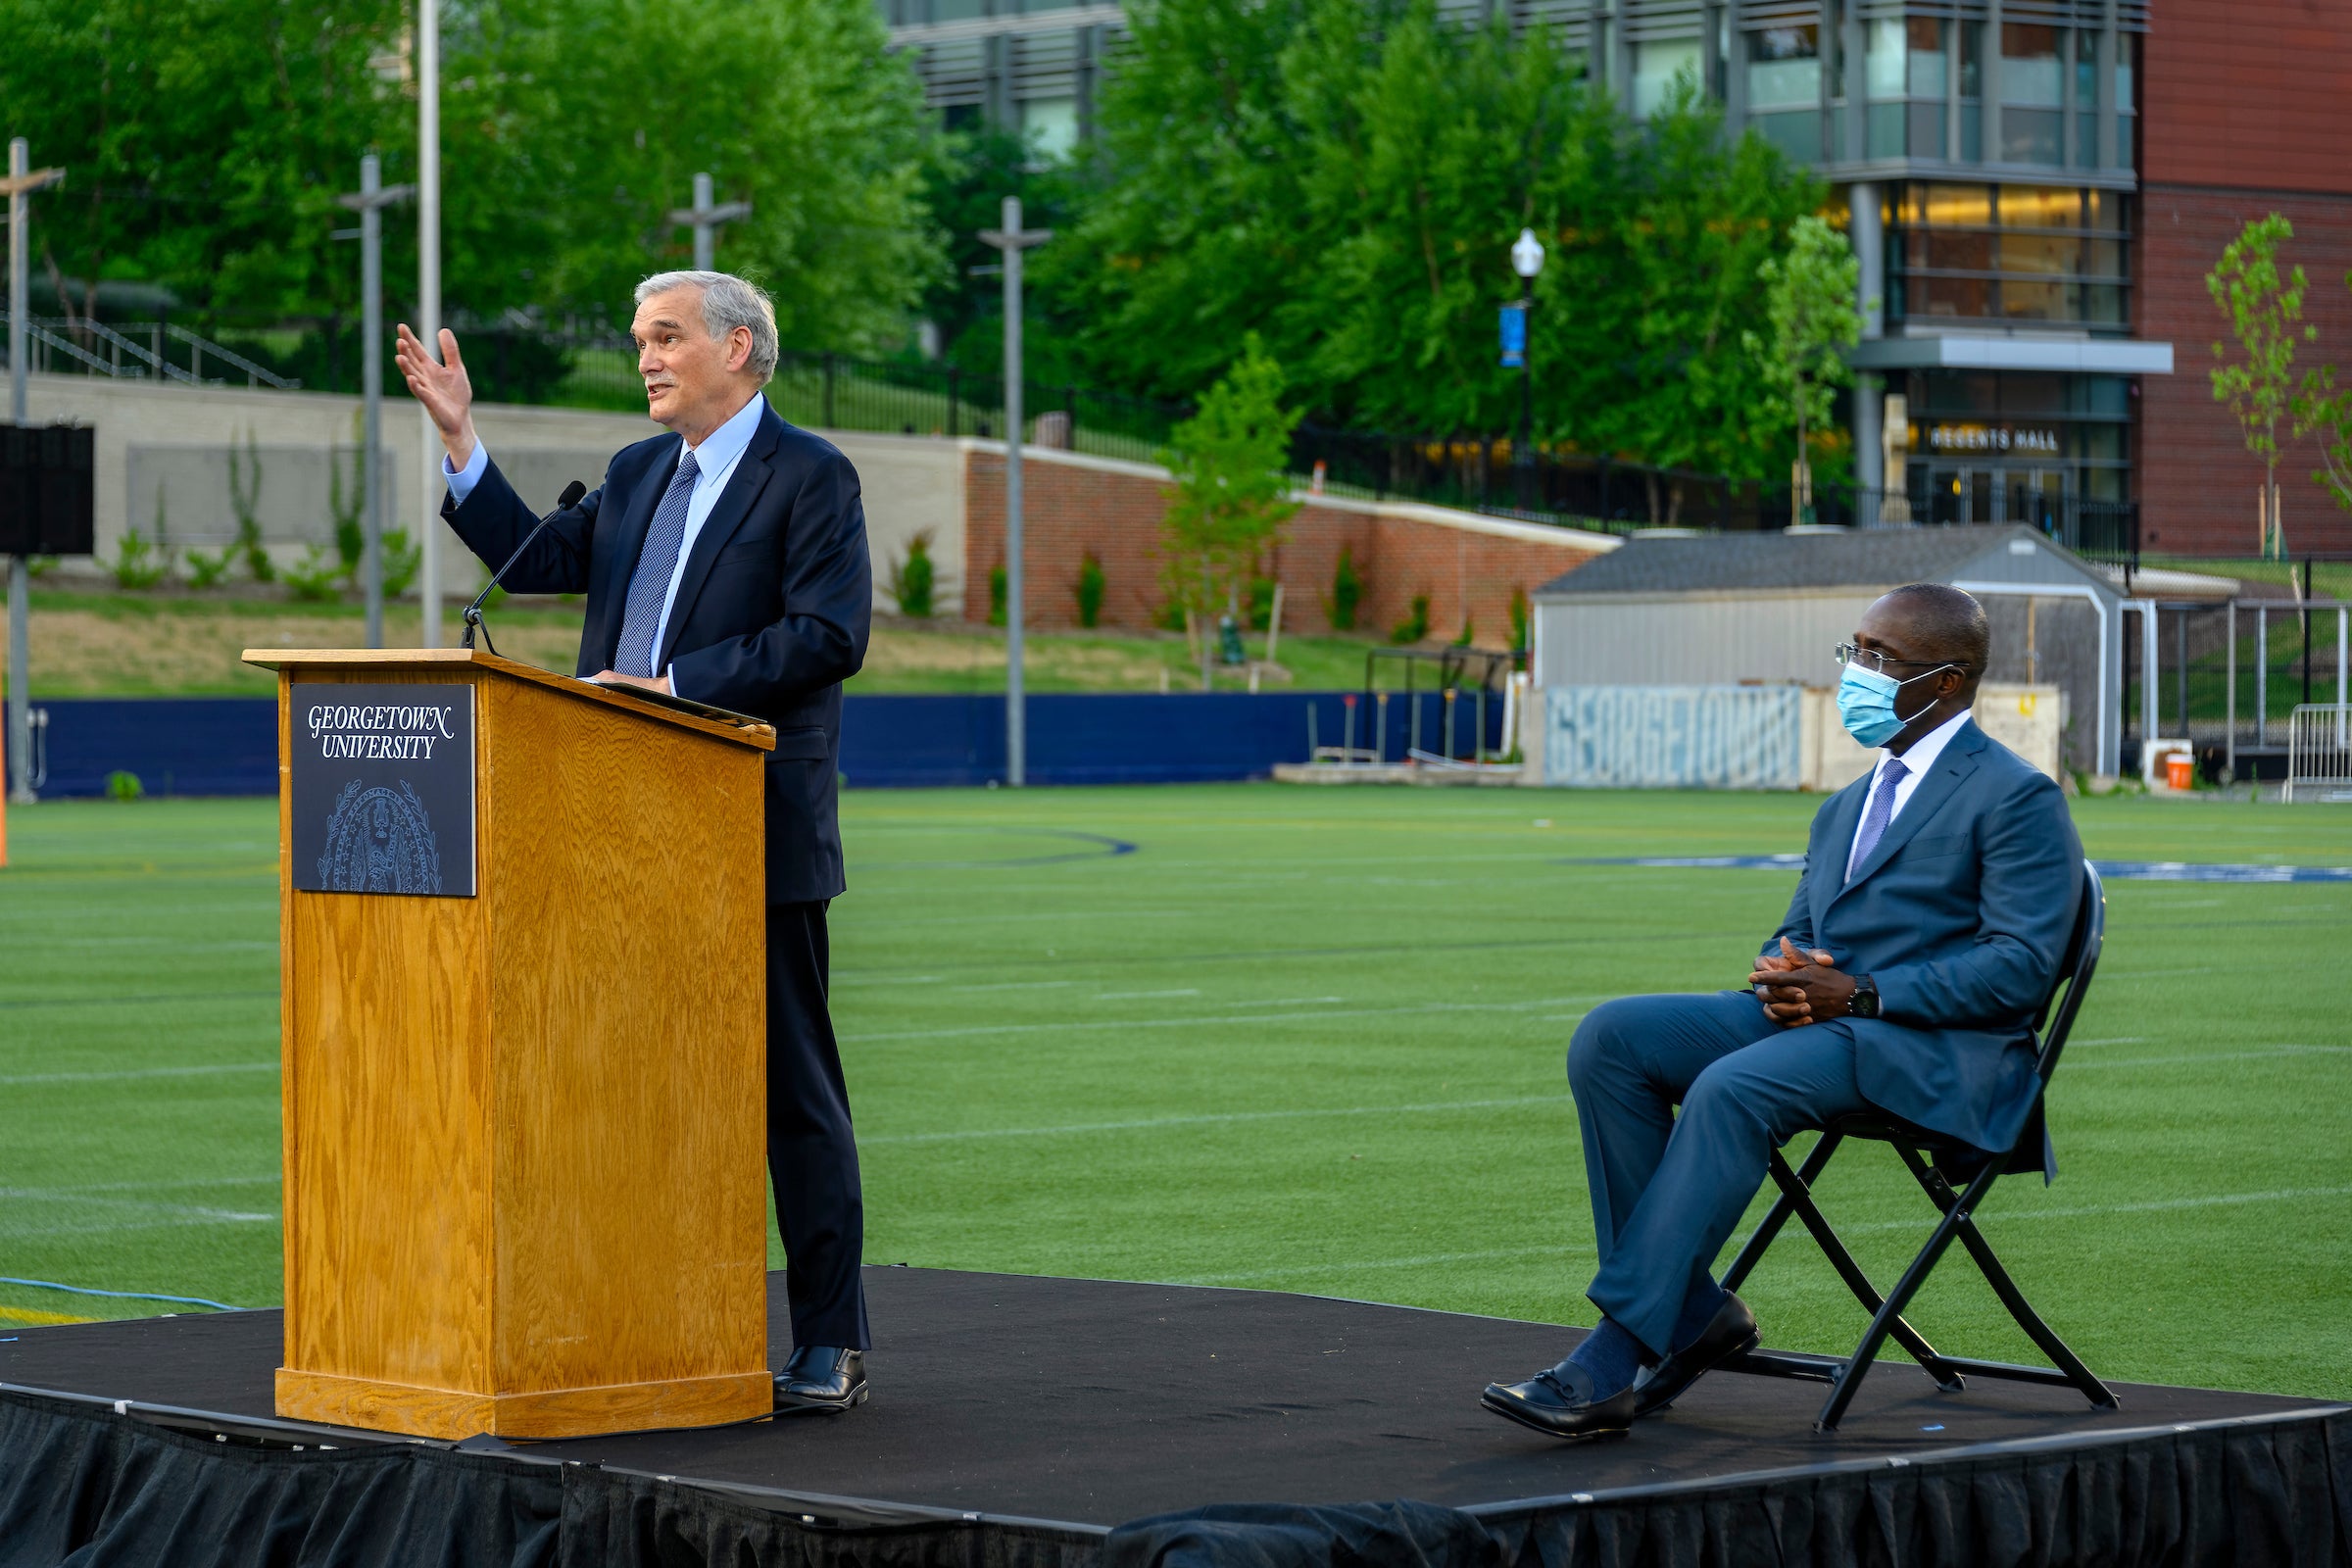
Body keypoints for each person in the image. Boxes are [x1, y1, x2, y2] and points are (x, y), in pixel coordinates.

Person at [394, 271, 876, 1413]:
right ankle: (643, 1320)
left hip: (747, 829)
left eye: (667, 337)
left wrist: (668, 688)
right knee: (623, 1083)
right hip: (610, 831)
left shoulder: (811, 476)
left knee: (789, 1086)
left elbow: (828, 634)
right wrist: (461, 440)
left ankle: (829, 1337)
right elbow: (531, 561)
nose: (646, 357)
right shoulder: (635, 472)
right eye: (639, 340)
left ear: (741, 348)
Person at [1482, 582, 2082, 1442]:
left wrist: (1869, 992)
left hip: (1934, 1053)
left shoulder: (2017, 796)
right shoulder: (1845, 805)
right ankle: (1694, 1312)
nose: (1859, 673)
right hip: (1824, 1025)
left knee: (1733, 1087)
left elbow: (2023, 969)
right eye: (1856, 651)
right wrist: (1787, 967)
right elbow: (1804, 926)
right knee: (1611, 1039)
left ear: (1947, 682)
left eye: (1883, 659)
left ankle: (1614, 1359)